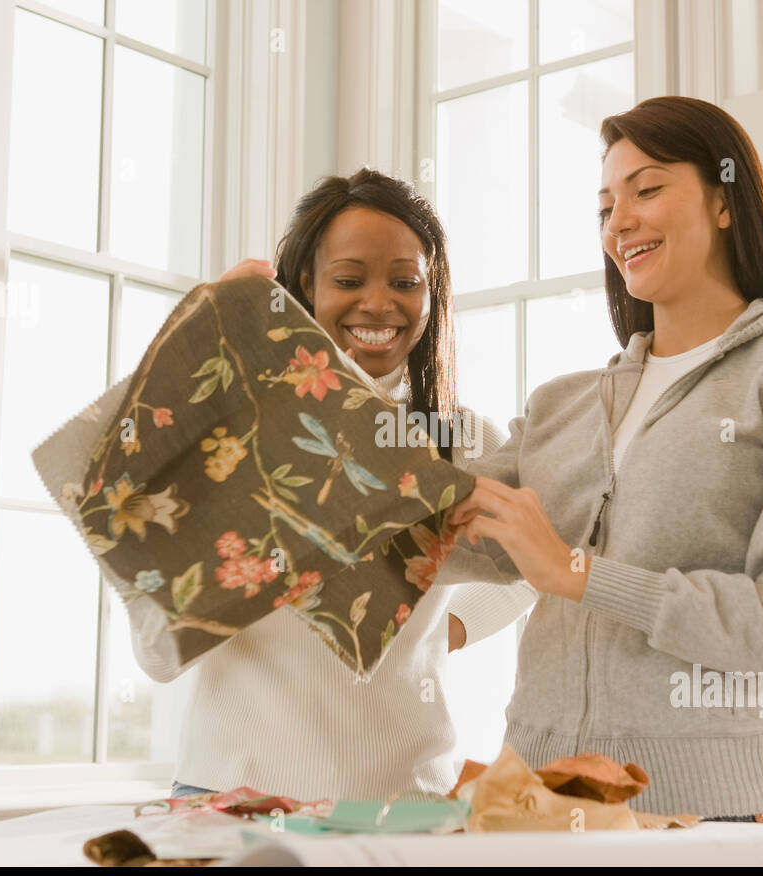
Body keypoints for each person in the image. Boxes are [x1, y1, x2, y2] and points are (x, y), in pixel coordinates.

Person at [440, 96, 763, 822]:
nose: (618, 222)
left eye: (646, 190)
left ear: (724, 201)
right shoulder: (564, 403)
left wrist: (579, 573)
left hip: (710, 819)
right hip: (539, 808)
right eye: (604, 207)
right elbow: (415, 519)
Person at [127, 168, 535, 801]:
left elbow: (537, 557)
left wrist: (451, 627)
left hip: (408, 802)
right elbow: (157, 653)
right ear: (305, 286)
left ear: (432, 295)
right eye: (348, 280)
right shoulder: (229, 430)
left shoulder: (460, 440)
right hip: (235, 797)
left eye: (405, 282)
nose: (379, 304)